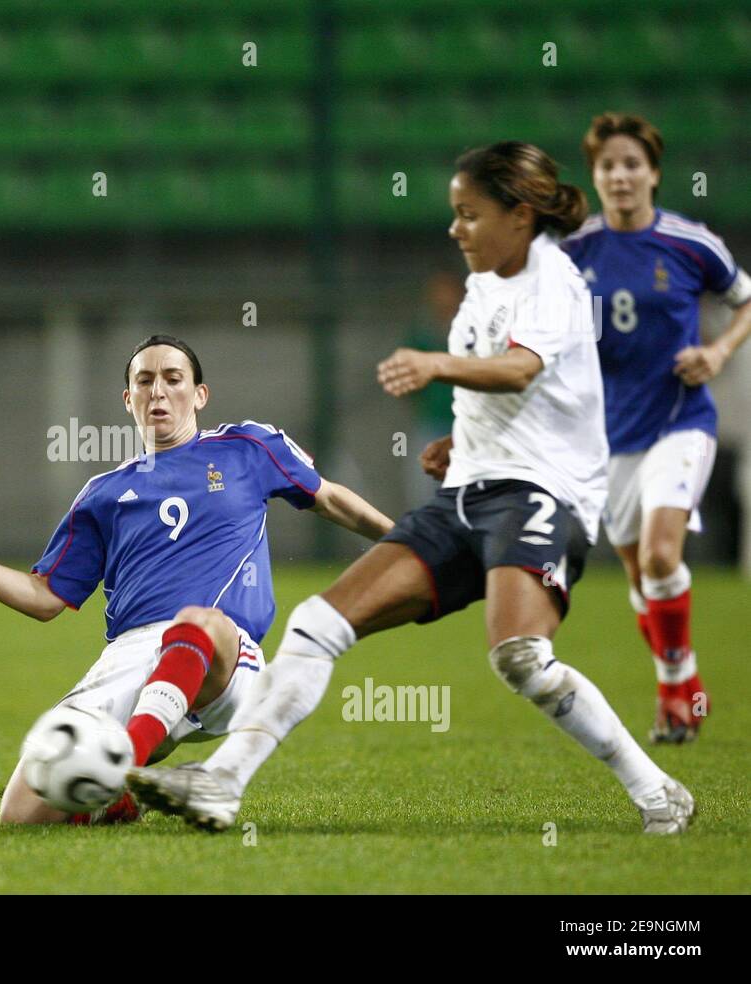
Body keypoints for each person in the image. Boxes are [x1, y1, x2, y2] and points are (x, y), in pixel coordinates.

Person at [129, 142, 695, 835]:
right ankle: (220, 783)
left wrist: (433, 363)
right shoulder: (485, 284)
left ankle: (657, 790)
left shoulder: (554, 280)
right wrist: (462, 443)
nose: (455, 229)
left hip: (541, 496)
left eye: (468, 214)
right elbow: (521, 392)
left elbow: (521, 369)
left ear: (519, 215)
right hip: (470, 495)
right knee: (316, 624)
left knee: (519, 657)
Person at [0, 335, 394, 824]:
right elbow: (43, 599)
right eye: (145, 381)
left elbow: (327, 496)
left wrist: (405, 540)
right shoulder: (102, 495)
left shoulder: (248, 448)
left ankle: (124, 765)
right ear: (128, 399)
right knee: (21, 813)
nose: (159, 391)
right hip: (128, 656)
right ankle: (119, 800)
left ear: (200, 394)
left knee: (198, 622)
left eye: (173, 378)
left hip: (222, 652)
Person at [561, 112, 751, 743]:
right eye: (608, 165)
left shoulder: (691, 243)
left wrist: (718, 354)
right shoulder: (575, 252)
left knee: (662, 554)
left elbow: (745, 299)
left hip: (680, 423)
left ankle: (676, 693)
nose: (620, 175)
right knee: (642, 582)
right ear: (596, 175)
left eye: (631, 164)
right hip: (608, 440)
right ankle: (684, 681)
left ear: (654, 173)